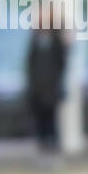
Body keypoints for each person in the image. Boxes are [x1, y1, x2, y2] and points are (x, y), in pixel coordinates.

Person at [25, 26, 66, 154]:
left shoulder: (56, 42)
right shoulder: (35, 42)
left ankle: (53, 145)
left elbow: (61, 64)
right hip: (37, 91)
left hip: (51, 89)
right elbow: (30, 66)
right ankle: (43, 145)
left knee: (51, 119)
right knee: (40, 120)